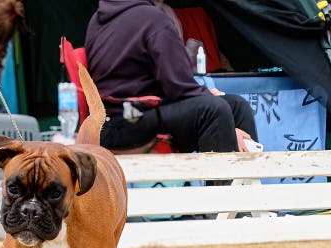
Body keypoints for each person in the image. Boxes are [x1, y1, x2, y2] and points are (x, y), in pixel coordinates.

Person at [85, 0, 258, 153]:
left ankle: (245, 184)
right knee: (214, 109)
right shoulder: (153, 19)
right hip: (128, 121)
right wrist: (208, 99)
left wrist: (202, 94)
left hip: (121, 119)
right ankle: (224, 190)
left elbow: (157, 84)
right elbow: (179, 87)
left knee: (236, 105)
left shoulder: (96, 20)